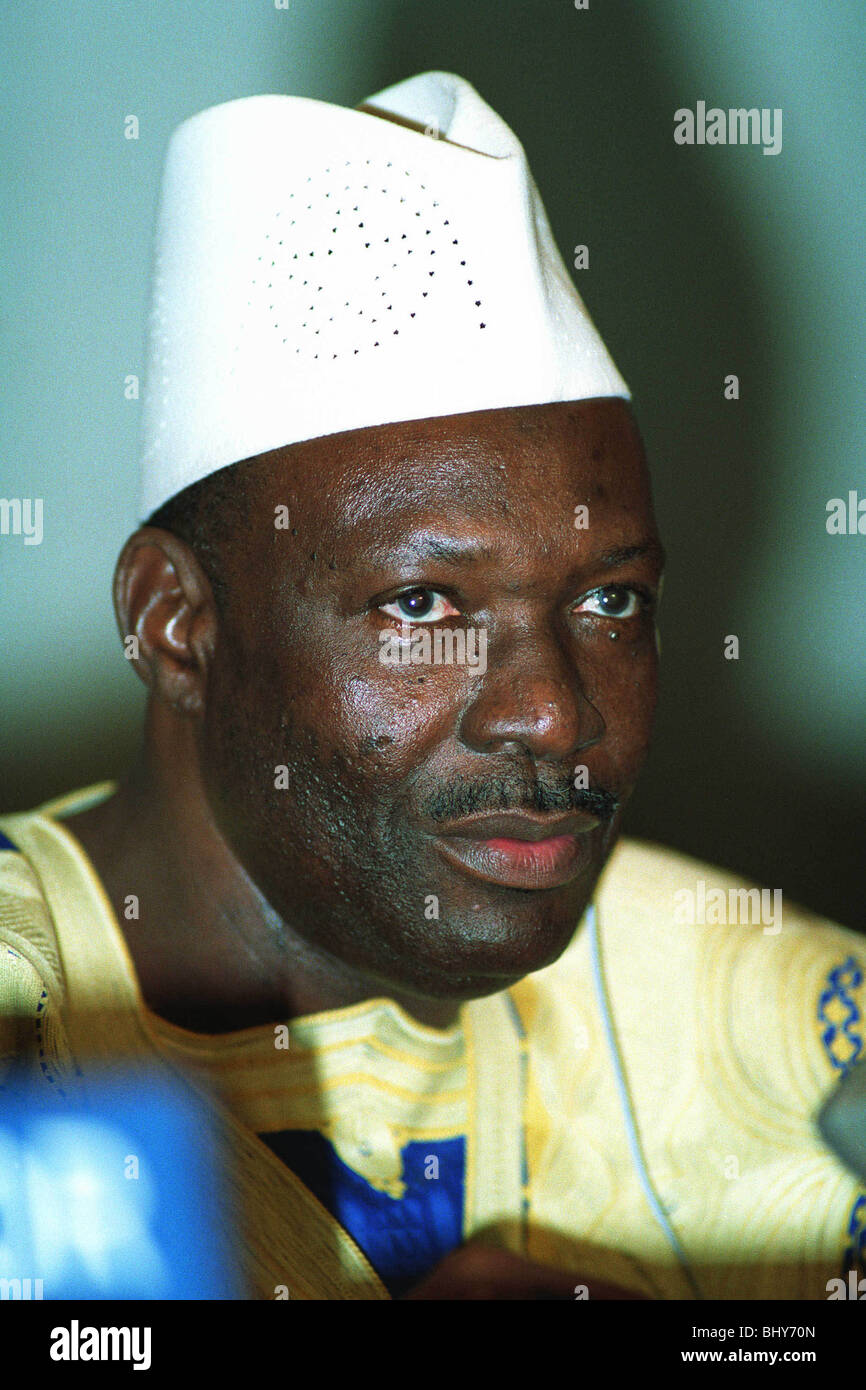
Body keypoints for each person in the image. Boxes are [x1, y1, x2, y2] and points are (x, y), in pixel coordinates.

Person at [1, 71, 863, 1301]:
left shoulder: (773, 1023)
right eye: (422, 607)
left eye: (607, 601)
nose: (553, 714)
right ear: (176, 625)